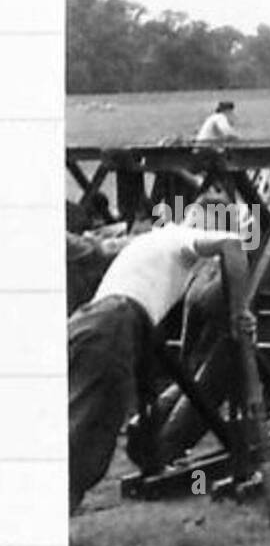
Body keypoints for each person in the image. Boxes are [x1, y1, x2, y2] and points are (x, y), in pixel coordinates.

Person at [68, 210, 247, 511]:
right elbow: (232, 244)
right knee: (91, 426)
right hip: (115, 323)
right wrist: (241, 312)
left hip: (92, 320)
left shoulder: (152, 240)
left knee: (77, 414)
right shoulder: (181, 237)